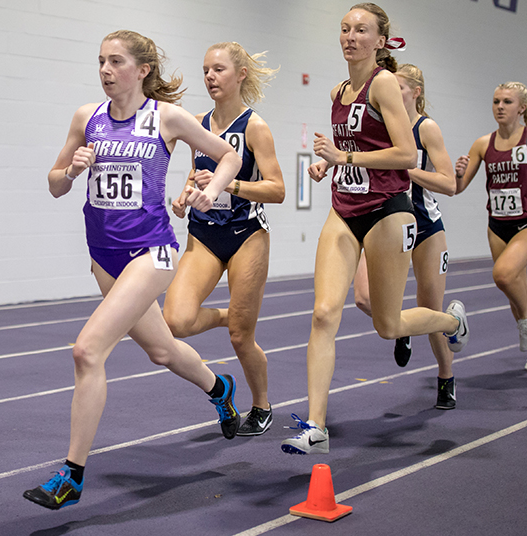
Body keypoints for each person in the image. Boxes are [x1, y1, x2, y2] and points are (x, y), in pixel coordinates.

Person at [24, 30, 244, 510]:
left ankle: (72, 476)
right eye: (100, 61)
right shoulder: (87, 118)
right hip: (104, 256)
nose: (105, 70)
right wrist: (71, 170)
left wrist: (214, 190)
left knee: (87, 350)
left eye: (116, 62)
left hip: (151, 252)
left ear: (142, 70)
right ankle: (219, 386)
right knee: (163, 351)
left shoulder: (166, 118)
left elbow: (230, 154)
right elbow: (55, 185)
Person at [281, 3, 469, 456]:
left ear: (380, 40)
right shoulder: (338, 90)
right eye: (345, 29)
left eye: (361, 30)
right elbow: (352, 145)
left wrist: (346, 158)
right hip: (344, 210)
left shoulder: (384, 84)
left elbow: (406, 155)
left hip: (388, 210)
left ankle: (451, 321)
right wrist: (330, 164)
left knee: (388, 325)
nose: (351, 36)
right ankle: (316, 427)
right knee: (325, 313)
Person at [163, 42, 284, 437]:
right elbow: (195, 172)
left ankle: (261, 403)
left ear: (241, 75)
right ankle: (228, 315)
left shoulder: (255, 126)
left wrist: (228, 185)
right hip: (204, 232)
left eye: (218, 69)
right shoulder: (197, 122)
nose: (210, 77)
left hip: (246, 233)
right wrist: (184, 196)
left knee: (241, 338)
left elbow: (277, 189)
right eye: (205, 71)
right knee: (176, 321)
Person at [352, 63, 459, 409]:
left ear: (415, 93)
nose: (388, 92)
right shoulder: (378, 124)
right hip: (384, 221)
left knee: (430, 309)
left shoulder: (426, 129)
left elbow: (449, 183)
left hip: (425, 225)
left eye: (397, 87)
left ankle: (446, 377)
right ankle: (401, 328)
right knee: (365, 299)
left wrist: (409, 168)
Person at [454, 81, 527, 372]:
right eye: (496, 101)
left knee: (503, 276)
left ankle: (526, 321)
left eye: (507, 102)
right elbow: (459, 187)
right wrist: (457, 174)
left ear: (522, 107)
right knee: (516, 288)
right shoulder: (483, 144)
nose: (500, 107)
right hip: (497, 226)